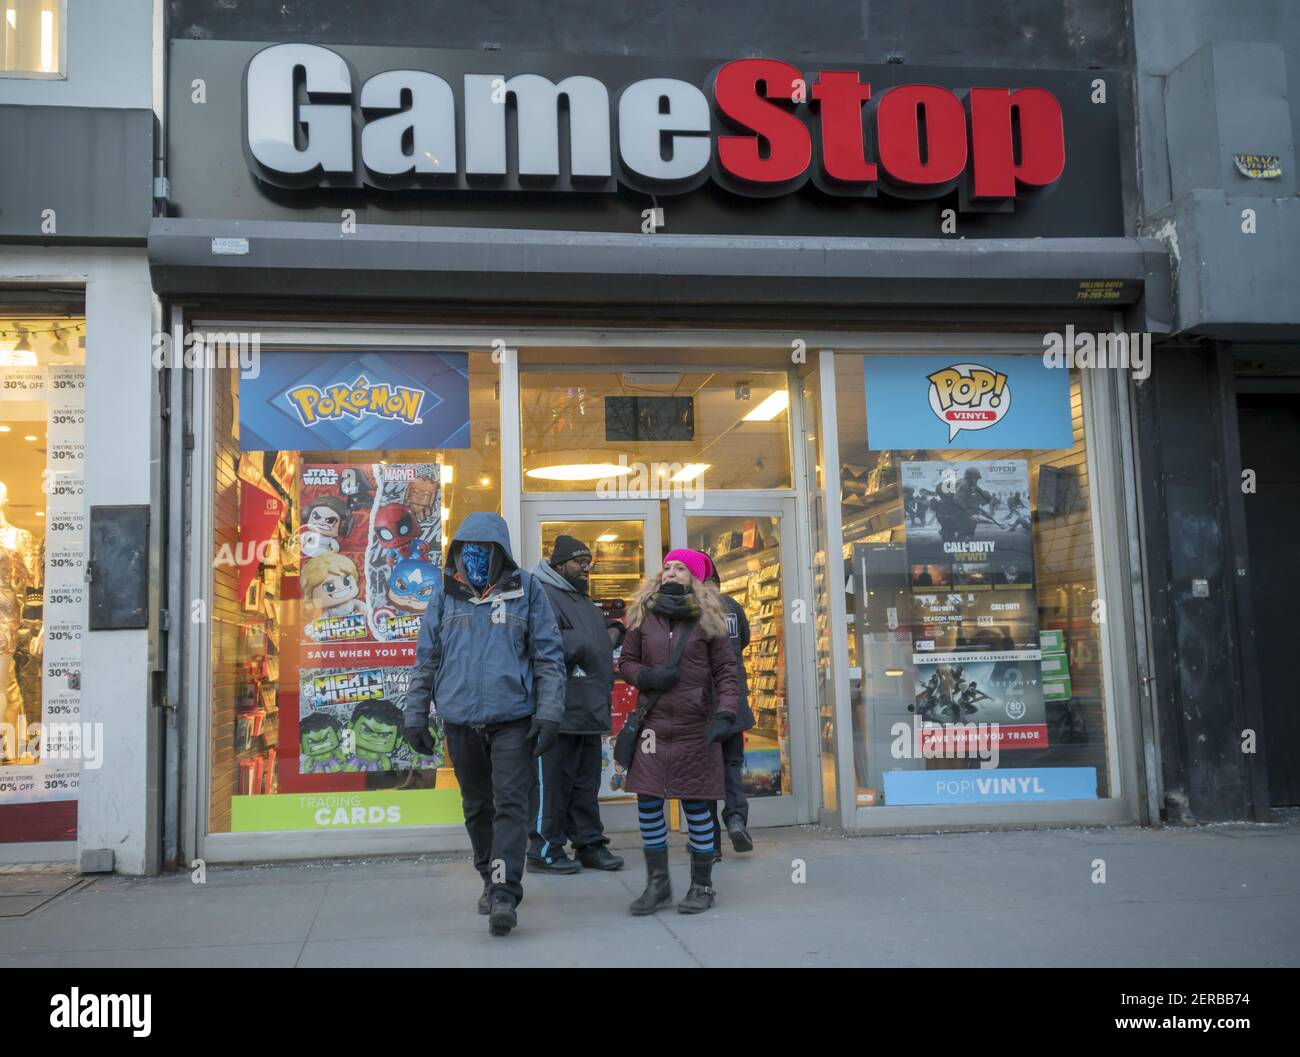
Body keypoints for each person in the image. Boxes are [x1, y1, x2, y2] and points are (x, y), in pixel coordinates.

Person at [401, 512, 565, 937]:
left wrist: (549, 713)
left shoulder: (527, 590)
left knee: (511, 805)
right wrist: (415, 713)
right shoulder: (444, 593)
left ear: (500, 553)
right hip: (459, 721)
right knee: (478, 807)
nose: (474, 559)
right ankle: (487, 880)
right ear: (456, 551)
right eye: (466, 550)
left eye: (484, 552)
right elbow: (427, 658)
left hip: (513, 719)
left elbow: (548, 657)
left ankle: (504, 891)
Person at [617, 549, 740, 915]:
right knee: (649, 805)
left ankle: (702, 885)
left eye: (680, 568)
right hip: (653, 726)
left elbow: (727, 673)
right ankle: (658, 885)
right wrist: (647, 677)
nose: (670, 571)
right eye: (667, 566)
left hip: (694, 727)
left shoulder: (710, 620)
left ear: (695, 578)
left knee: (696, 807)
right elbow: (626, 662)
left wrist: (726, 714)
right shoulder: (643, 614)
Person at [527, 535, 624, 874]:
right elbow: (540, 644)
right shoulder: (540, 593)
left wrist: (610, 632)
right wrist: (585, 640)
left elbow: (591, 642)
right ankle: (544, 849)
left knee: (585, 785)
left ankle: (589, 844)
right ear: (558, 565)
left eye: (589, 563)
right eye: (579, 561)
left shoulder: (581, 597)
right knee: (552, 785)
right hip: (558, 710)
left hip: (589, 708)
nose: (586, 568)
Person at [703, 557, 755, 860]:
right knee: (732, 766)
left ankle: (710, 843)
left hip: (706, 707)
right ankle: (736, 819)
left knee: (706, 774)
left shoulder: (696, 609)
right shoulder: (734, 607)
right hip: (734, 702)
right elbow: (743, 643)